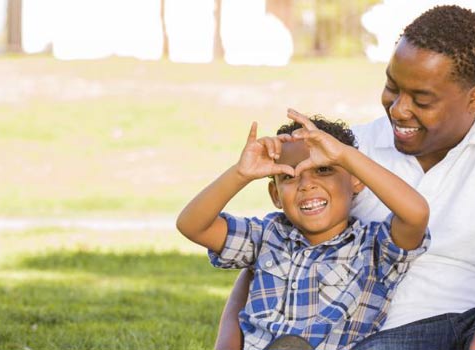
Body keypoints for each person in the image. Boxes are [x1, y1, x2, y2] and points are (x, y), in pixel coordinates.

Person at [215, 5, 475, 350]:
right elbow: (276, 247)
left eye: (421, 99)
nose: (399, 109)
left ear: (474, 96)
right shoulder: (345, 151)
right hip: (377, 340)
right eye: (392, 87)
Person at [177, 111, 431, 349]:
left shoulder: (374, 248)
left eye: (324, 170)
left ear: (356, 180)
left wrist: (345, 156)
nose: (307, 185)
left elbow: (416, 214)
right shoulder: (266, 236)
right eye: (289, 175)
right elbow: (192, 226)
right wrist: (240, 174)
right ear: (276, 195)